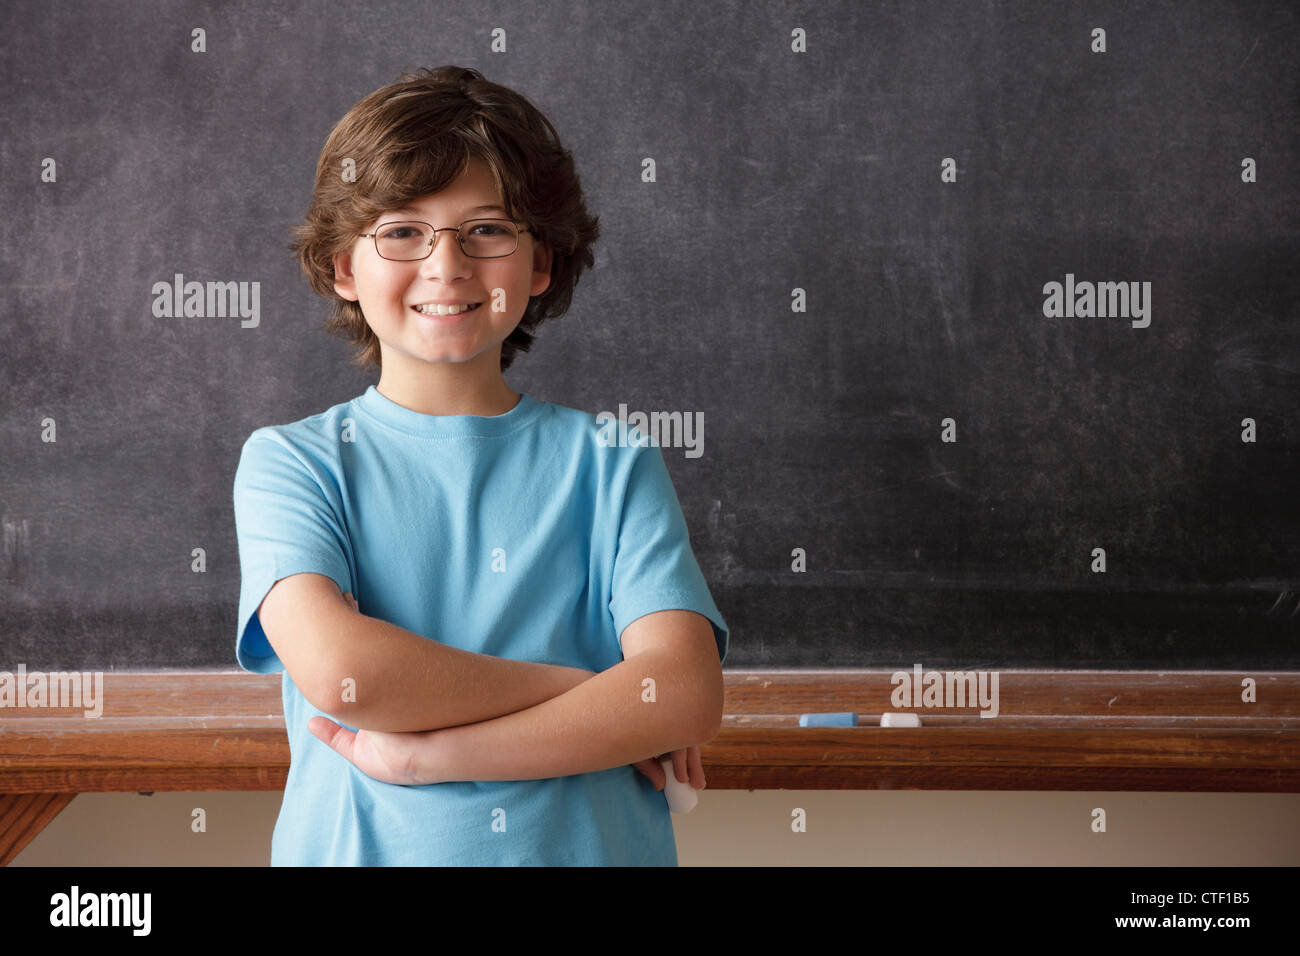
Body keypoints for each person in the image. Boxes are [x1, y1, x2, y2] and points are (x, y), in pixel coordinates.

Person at [232, 66, 728, 865]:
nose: (447, 265)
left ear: (541, 265)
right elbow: (347, 674)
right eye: (401, 231)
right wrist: (591, 694)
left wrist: (428, 755)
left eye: (488, 229)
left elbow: (687, 692)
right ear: (342, 268)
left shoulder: (611, 461)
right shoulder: (293, 464)